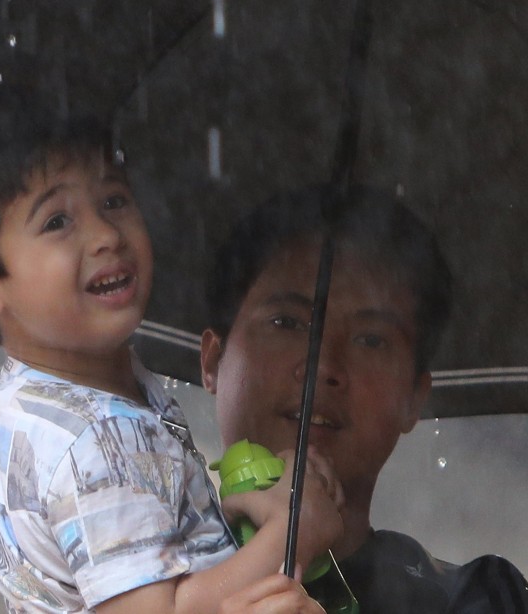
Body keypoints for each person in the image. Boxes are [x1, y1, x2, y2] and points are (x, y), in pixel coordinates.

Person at [0, 87, 341, 613]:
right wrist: (294, 536)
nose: (106, 234)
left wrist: (231, 507)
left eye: (113, 200)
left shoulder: (36, 397)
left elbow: (138, 545)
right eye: (57, 221)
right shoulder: (99, 435)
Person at [200, 186, 528, 612]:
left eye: (371, 339)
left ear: (414, 397)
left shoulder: (476, 601)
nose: (324, 365)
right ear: (213, 360)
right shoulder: (123, 568)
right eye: (287, 322)